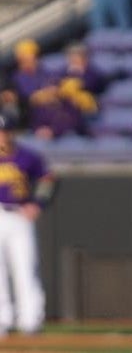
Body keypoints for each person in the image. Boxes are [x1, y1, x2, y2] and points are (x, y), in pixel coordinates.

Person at [0, 117, 53, 335]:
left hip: (19, 215)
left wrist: (37, 203)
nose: (2, 135)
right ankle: (2, 320)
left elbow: (47, 178)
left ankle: (30, 320)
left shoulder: (27, 156)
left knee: (25, 267)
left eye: (5, 131)